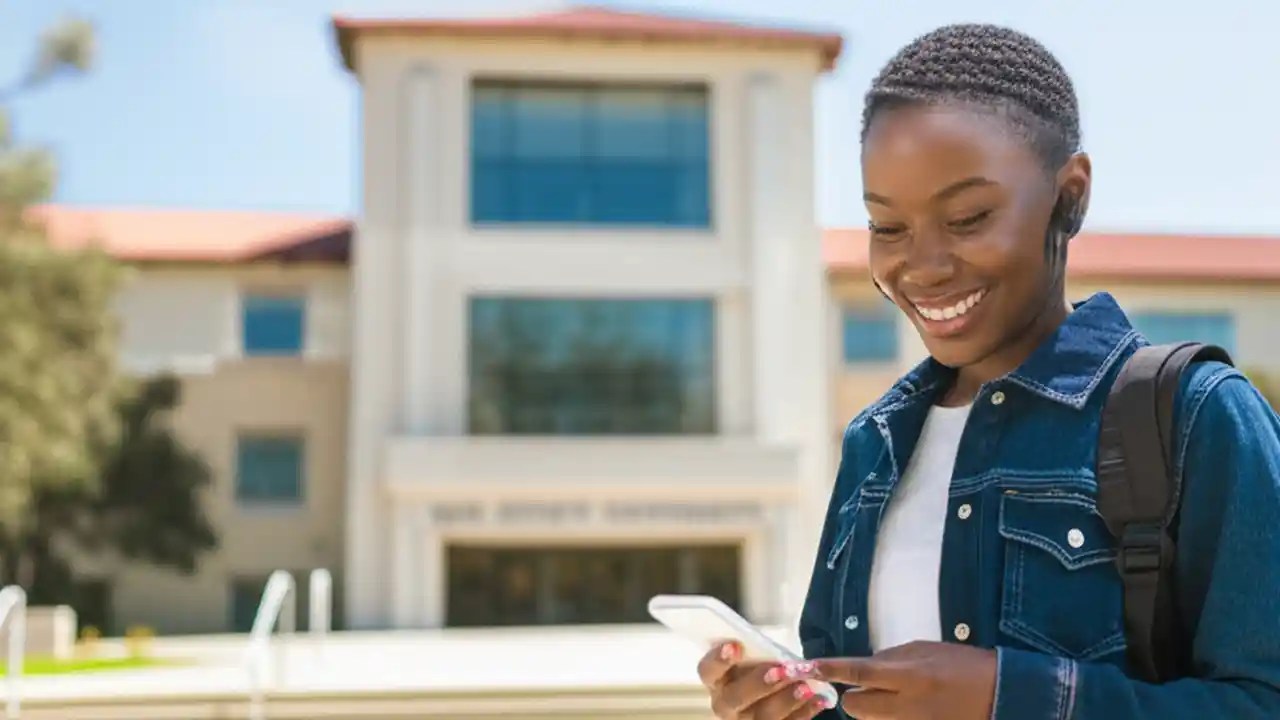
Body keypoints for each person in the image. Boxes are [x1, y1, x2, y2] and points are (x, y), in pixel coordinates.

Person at [695, 22, 1280, 720]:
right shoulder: (872, 445)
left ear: (1070, 196)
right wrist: (781, 709)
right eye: (887, 226)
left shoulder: (1194, 416)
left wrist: (1014, 697)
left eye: (968, 218)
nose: (923, 265)